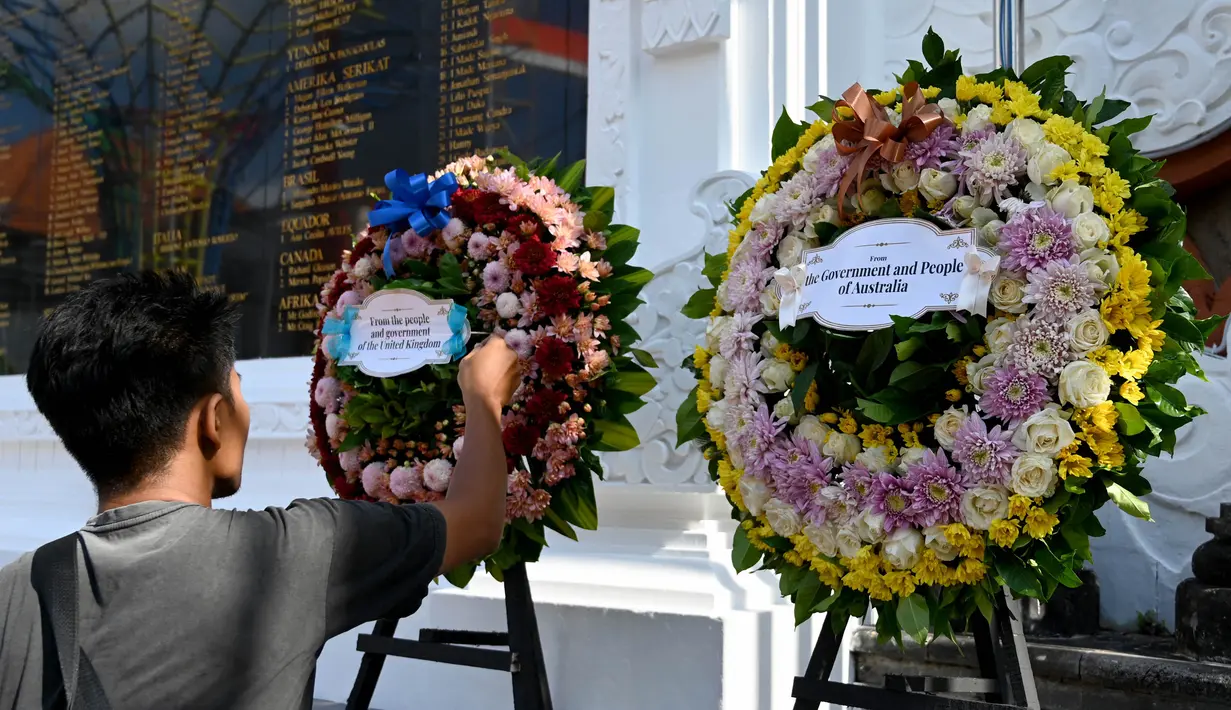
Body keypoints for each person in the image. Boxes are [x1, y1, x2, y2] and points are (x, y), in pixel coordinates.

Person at [0, 270, 521, 709]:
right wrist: (482, 396)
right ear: (214, 419)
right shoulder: (293, 552)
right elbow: (476, 521)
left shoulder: (14, 593)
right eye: (238, 389)